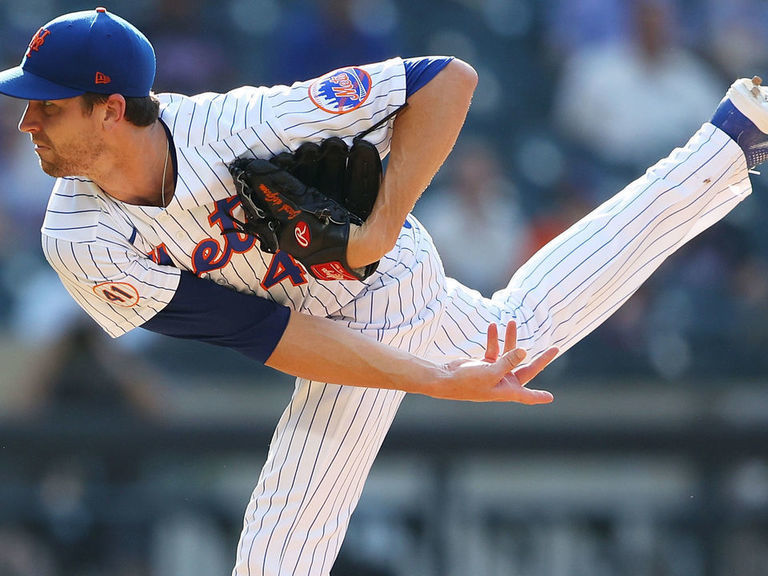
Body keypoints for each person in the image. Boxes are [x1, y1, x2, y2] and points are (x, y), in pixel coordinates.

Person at [0, 7, 764, 576]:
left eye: (49, 105)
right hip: (305, 313)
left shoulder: (244, 127)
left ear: (111, 108)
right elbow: (263, 335)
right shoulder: (77, 238)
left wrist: (377, 228)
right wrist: (435, 379)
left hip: (378, 275)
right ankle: (733, 142)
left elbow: (446, 79)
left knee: (287, 528)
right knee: (516, 339)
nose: (26, 119)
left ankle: (728, 147)